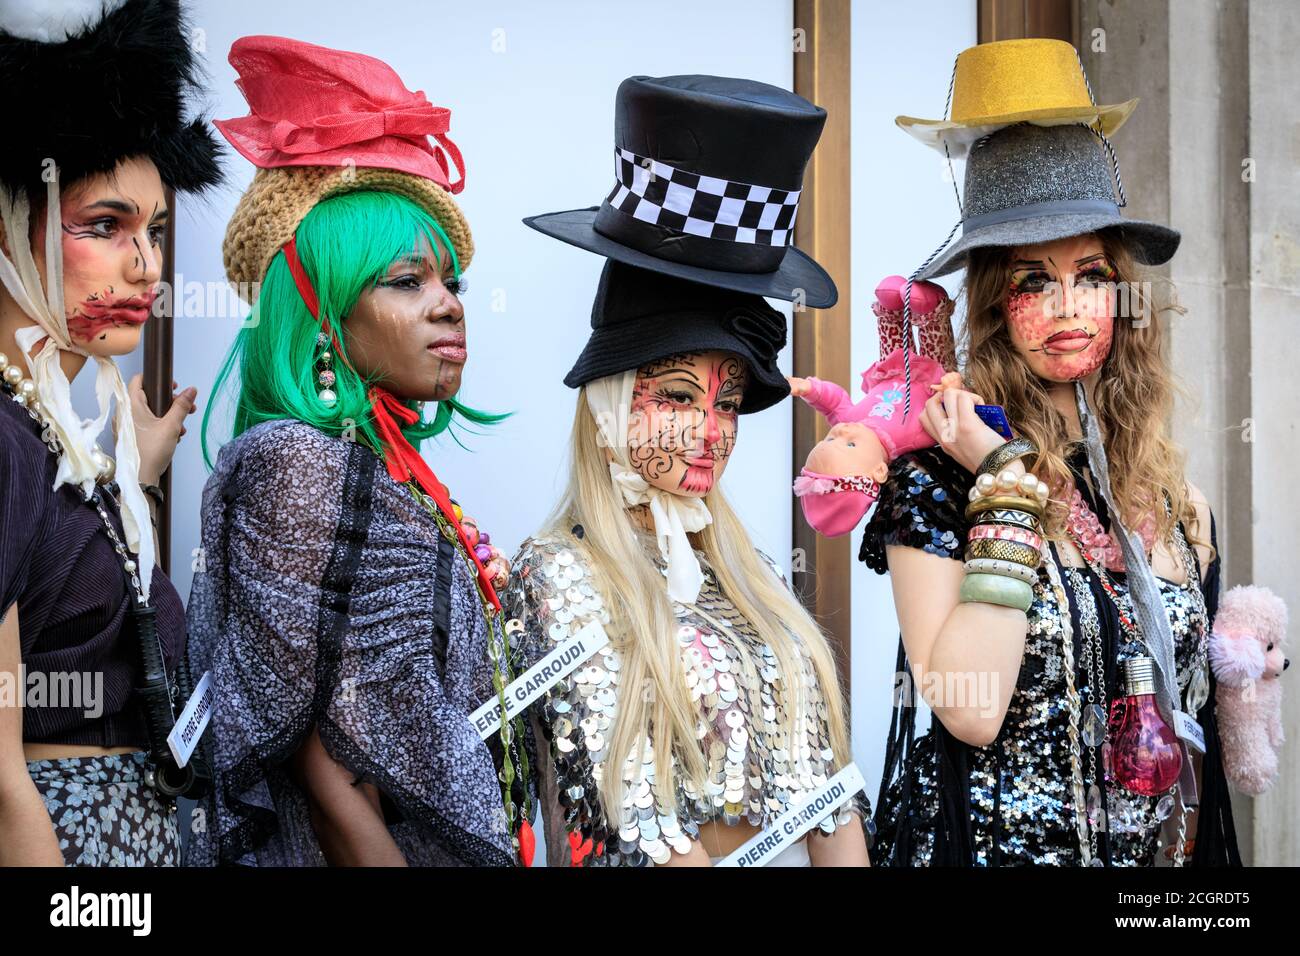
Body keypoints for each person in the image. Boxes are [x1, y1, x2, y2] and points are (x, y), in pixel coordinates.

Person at [863, 39, 1239, 866]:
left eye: (1092, 273)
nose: (1070, 305)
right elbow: (970, 712)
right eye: (1034, 280)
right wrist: (1002, 481)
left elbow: (1197, 746)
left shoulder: (1179, 505)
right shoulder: (932, 480)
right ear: (997, 304)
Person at [511, 75, 870, 867]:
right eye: (677, 396)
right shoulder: (557, 577)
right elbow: (624, 825)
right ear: (608, 400)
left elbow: (830, 797)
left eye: (732, 402)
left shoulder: (748, 572)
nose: (712, 432)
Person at [185, 35, 526, 867]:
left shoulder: (372, 472)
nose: (449, 307)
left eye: (451, 284)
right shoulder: (295, 464)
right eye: (407, 282)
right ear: (322, 315)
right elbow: (309, 753)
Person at [0, 0, 222, 867]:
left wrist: (126, 474)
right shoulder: (8, 441)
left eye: (157, 231)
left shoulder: (47, 434)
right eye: (106, 226)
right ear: (13, 225)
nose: (148, 265)